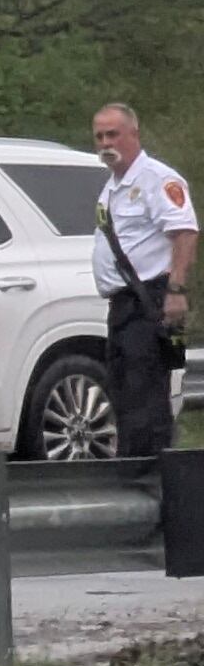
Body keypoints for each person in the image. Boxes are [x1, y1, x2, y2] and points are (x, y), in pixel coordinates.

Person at [91, 102, 198, 456]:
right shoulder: (112, 187)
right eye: (99, 136)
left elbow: (184, 232)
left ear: (134, 134)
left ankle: (152, 477)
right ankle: (131, 470)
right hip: (121, 304)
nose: (106, 142)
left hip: (149, 299)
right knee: (122, 390)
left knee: (145, 393)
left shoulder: (156, 178)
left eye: (113, 134)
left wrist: (176, 290)